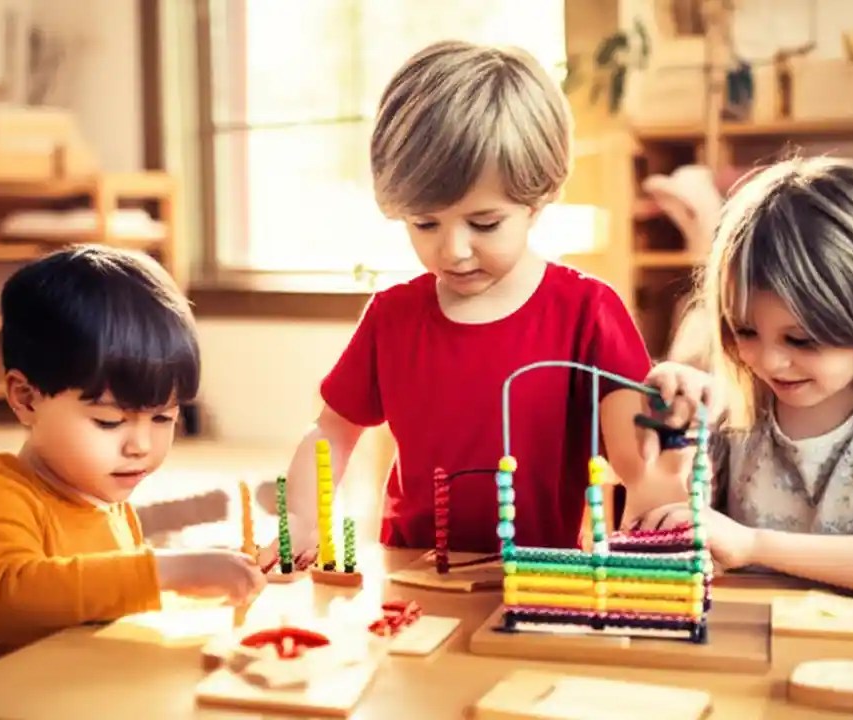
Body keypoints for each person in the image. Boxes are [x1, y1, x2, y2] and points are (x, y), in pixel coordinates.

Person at [259, 40, 655, 569]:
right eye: (425, 224)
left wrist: (659, 482)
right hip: (413, 568)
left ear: (538, 200)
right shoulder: (392, 316)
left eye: (484, 223)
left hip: (538, 576)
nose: (453, 250)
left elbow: (635, 459)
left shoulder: (588, 311)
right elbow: (333, 428)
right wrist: (303, 519)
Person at [635, 156, 853, 604]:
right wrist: (669, 446)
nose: (769, 361)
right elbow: (658, 546)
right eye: (745, 331)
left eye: (801, 340)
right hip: (744, 643)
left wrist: (754, 545)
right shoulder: (734, 399)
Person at [0, 245, 265, 683]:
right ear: (25, 398)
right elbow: (8, 602)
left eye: (164, 417)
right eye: (109, 422)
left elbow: (104, 596)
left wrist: (188, 580)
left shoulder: (108, 502)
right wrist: (166, 570)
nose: (141, 446)